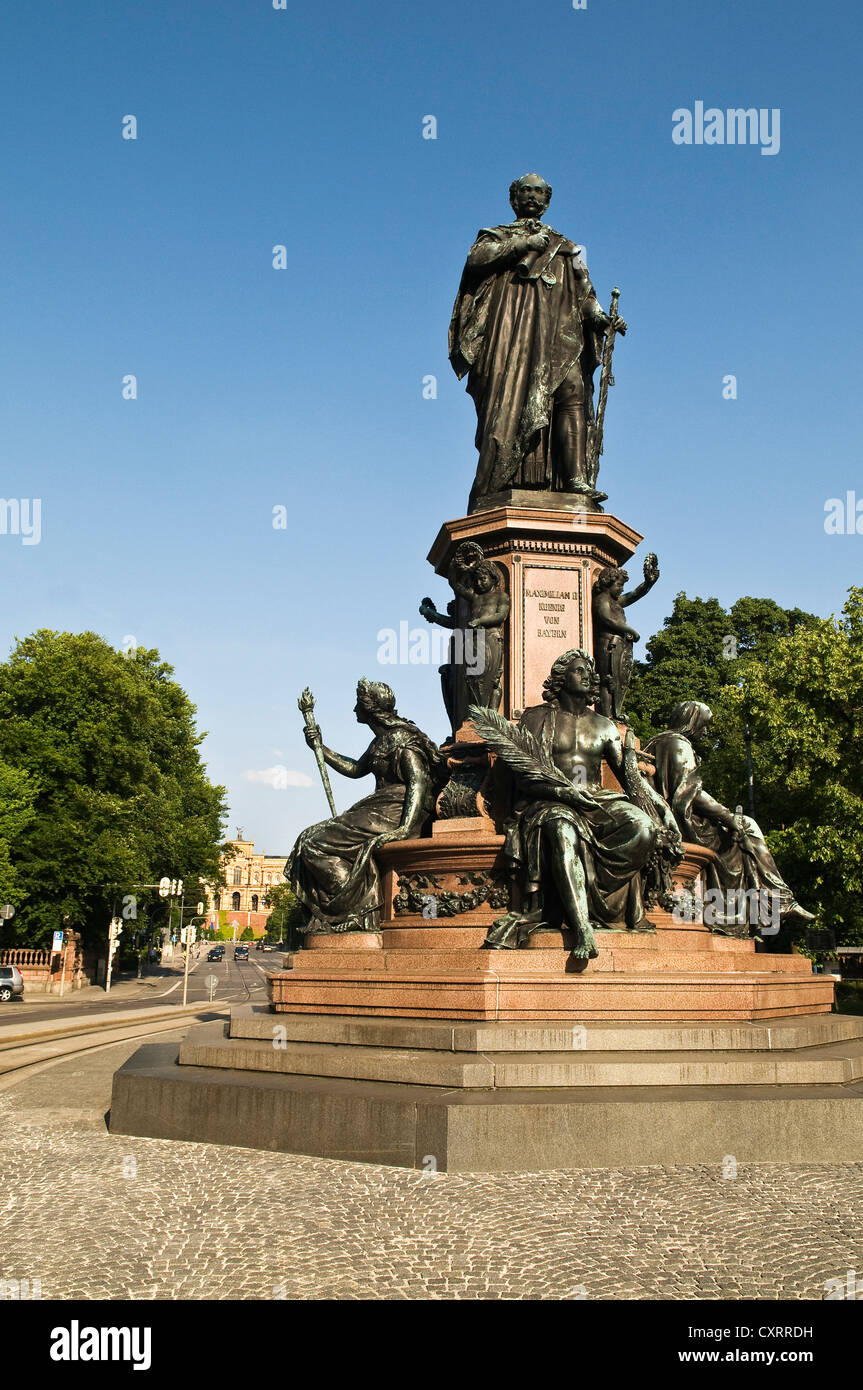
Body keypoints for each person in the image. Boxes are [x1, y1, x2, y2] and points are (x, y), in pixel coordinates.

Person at [478, 649, 680, 959]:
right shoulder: (536, 718)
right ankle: (582, 927)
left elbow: (630, 780)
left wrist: (662, 808)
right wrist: (564, 794)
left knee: (641, 827)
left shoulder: (604, 725)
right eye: (578, 670)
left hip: (596, 798)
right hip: (549, 800)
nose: (587, 676)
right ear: (560, 679)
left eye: (589, 671)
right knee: (562, 830)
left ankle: (598, 896)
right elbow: (524, 778)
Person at [449, 173, 625, 508]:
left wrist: (601, 317)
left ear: (548, 200)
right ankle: (497, 483)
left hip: (560, 340)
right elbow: (475, 261)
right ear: (514, 199)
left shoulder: (568, 247)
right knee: (506, 413)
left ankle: (574, 480)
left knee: (572, 389)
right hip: (512, 340)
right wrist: (522, 245)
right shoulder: (496, 237)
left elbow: (586, 292)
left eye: (540, 192)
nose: (533, 196)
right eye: (526, 191)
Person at [643, 701, 814, 938]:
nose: (706, 731)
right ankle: (779, 901)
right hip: (684, 823)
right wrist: (727, 817)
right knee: (747, 827)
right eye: (704, 725)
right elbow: (689, 794)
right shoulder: (678, 743)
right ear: (692, 722)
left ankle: (775, 904)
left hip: (669, 817)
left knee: (744, 836)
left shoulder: (657, 741)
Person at [289, 679, 442, 934]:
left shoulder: (404, 740)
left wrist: (404, 829)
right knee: (308, 838)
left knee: (314, 843)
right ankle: (349, 906)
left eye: (358, 704)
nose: (353, 710)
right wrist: (319, 747)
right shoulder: (380, 742)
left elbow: (418, 783)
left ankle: (354, 909)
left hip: (398, 810)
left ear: (370, 708)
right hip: (380, 808)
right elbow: (355, 769)